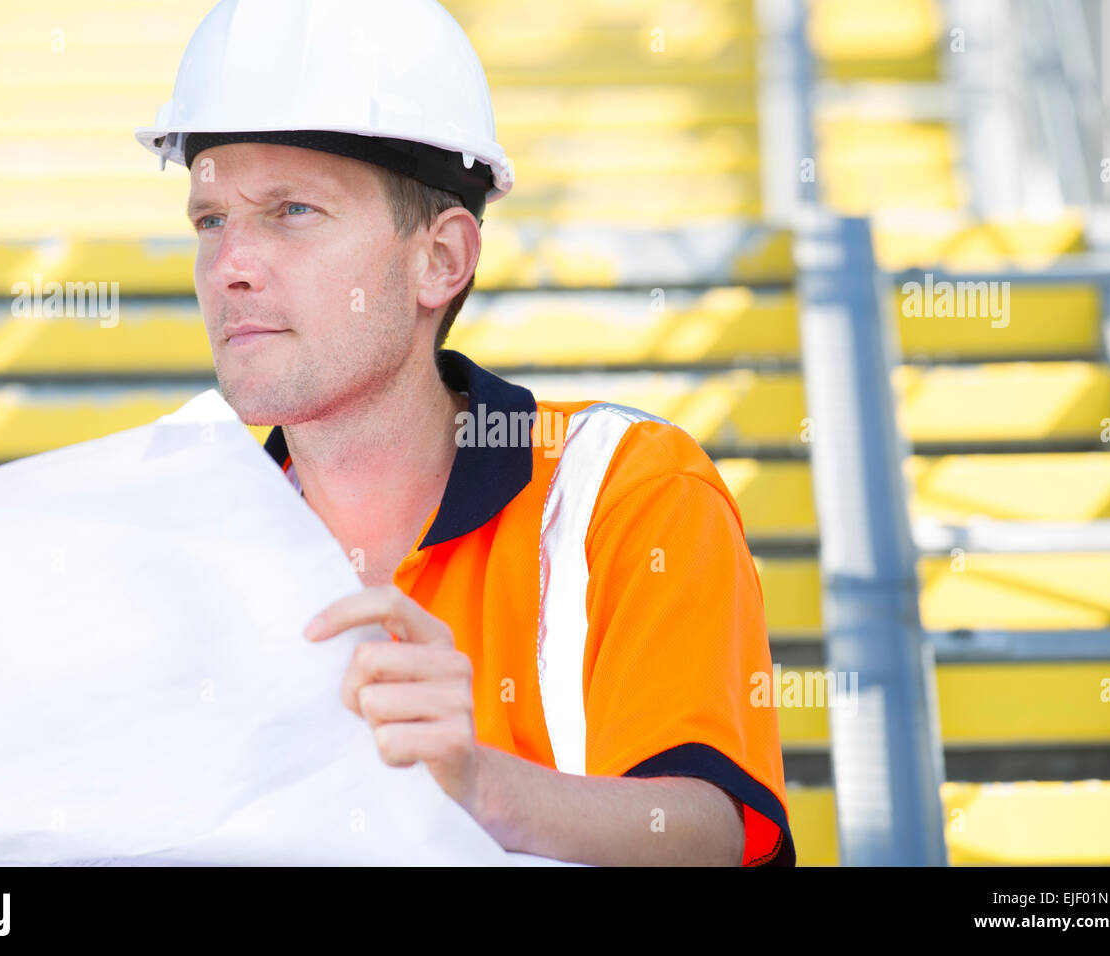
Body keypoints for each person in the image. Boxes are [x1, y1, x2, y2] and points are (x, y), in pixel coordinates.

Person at [138, 0, 794, 866]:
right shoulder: (170, 536)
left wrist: (473, 788)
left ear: (442, 259)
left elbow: (708, 837)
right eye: (211, 219)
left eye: (292, 210)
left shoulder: (626, 490)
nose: (229, 267)